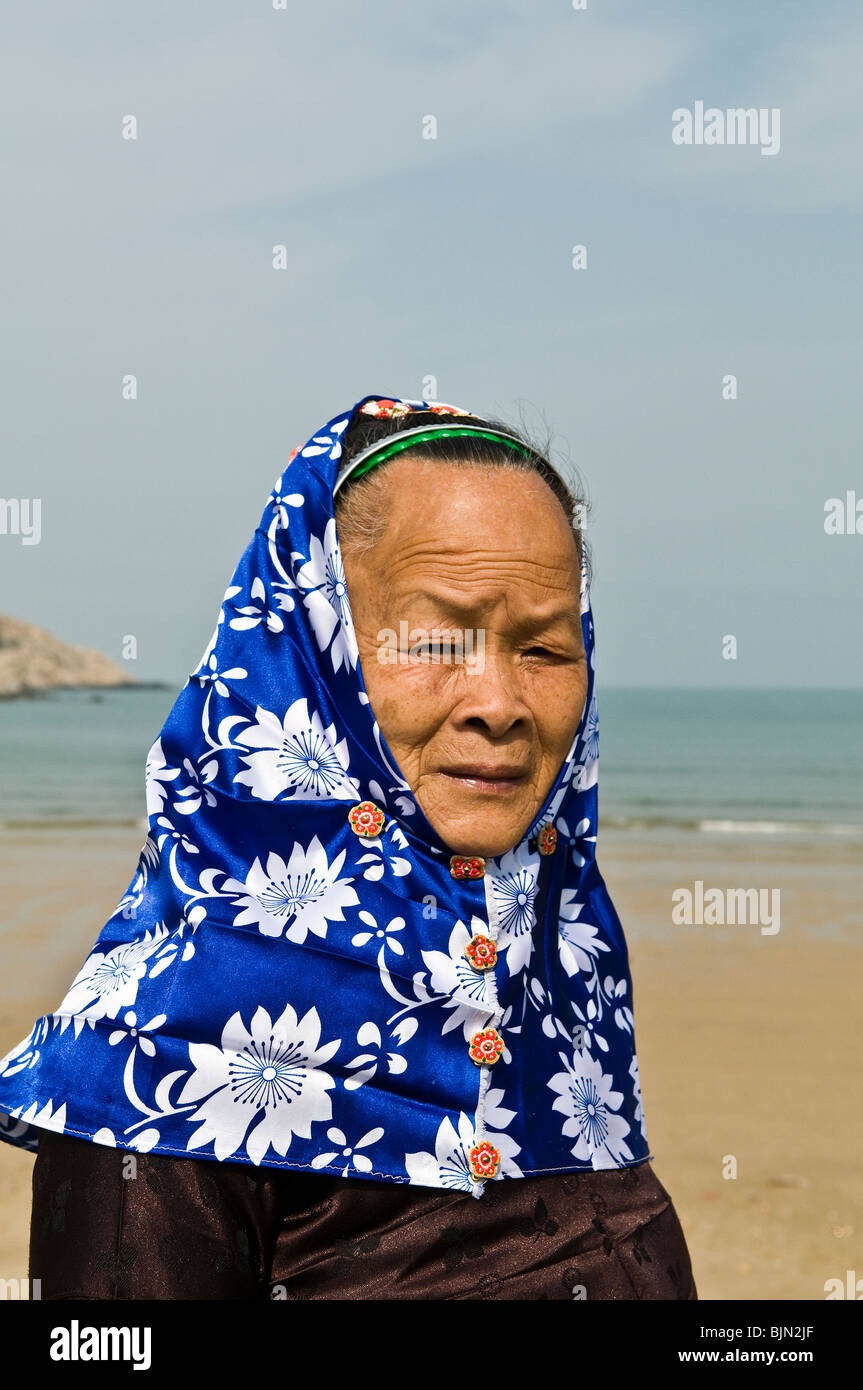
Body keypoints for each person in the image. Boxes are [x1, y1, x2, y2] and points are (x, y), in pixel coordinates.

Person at [0, 392, 697, 1300]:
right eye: (438, 638)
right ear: (311, 659)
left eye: (547, 649)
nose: (501, 702)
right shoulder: (163, 1059)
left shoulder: (562, 988)